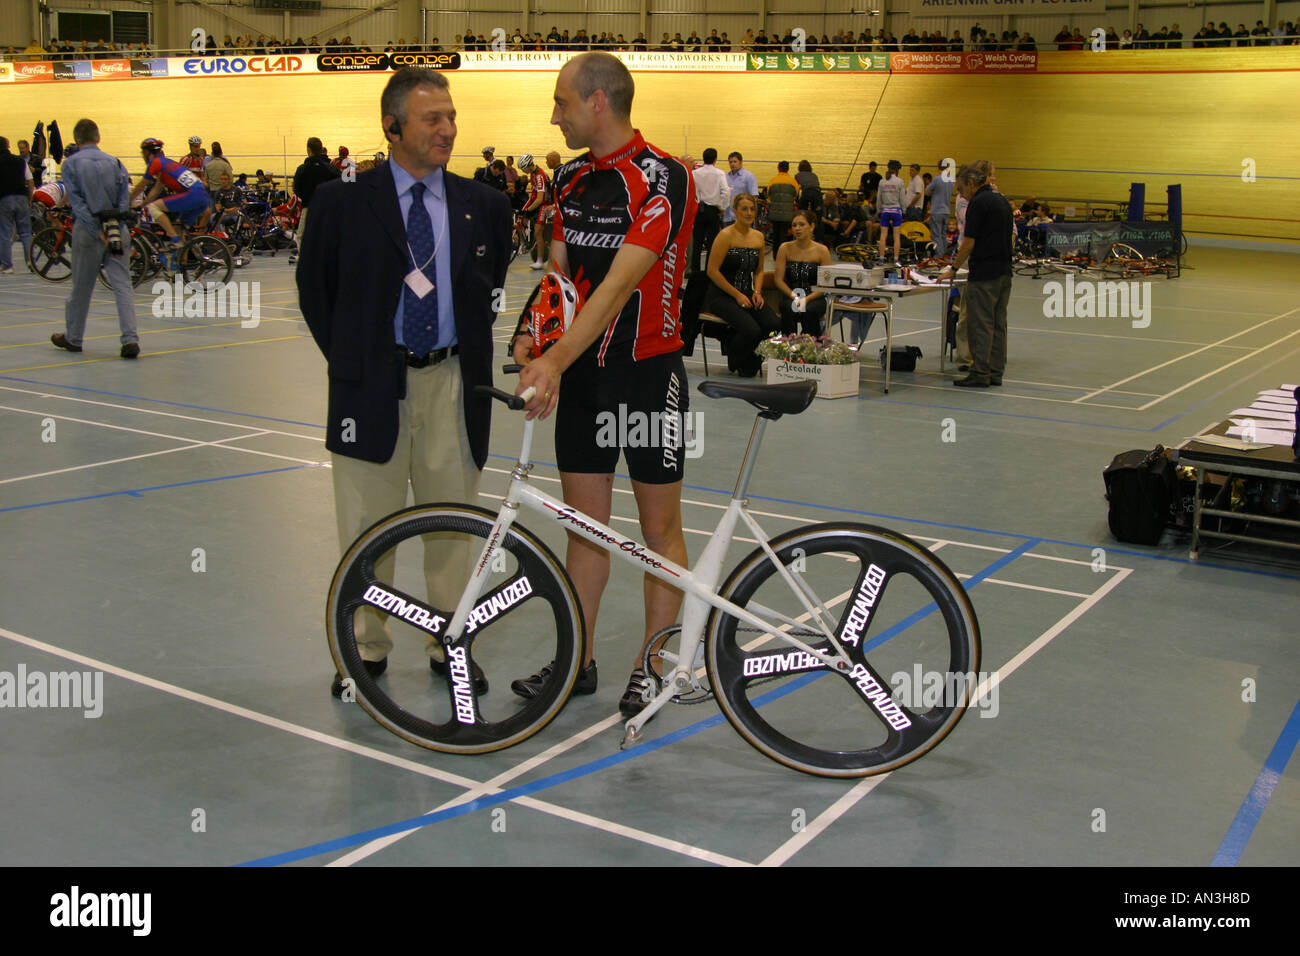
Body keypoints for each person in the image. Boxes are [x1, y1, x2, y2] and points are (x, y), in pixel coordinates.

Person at [296, 67, 512, 699]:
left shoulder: (486, 205)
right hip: (372, 384)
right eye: (432, 119)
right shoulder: (342, 202)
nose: (448, 129)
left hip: (453, 380)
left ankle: (452, 643)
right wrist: (353, 362)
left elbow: (488, 290)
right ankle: (364, 648)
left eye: (451, 116)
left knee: (455, 521)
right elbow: (317, 291)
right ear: (391, 126)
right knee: (368, 523)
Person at [508, 51, 697, 717]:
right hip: (583, 378)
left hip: (647, 375)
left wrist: (552, 362)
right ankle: (578, 658)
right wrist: (533, 332)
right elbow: (561, 279)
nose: (553, 114)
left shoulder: (664, 178)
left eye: (560, 101)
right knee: (583, 527)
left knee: (658, 528)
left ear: (596, 103)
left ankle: (653, 665)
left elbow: (618, 287)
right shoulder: (568, 179)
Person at [49, 119, 137, 357]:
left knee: (82, 287)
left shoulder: (72, 164)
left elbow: (77, 203)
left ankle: (74, 337)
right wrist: (114, 227)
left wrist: (97, 230)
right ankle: (130, 339)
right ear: (98, 137)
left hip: (88, 233)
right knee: (122, 285)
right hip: (117, 229)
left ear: (77, 140)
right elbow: (123, 200)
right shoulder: (115, 162)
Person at [940, 161, 1011, 387]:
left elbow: (969, 241)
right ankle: (995, 372)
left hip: (984, 274)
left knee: (980, 324)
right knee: (999, 324)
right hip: (1004, 273)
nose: (961, 194)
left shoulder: (978, 204)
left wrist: (953, 268)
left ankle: (980, 373)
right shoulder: (1001, 200)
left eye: (961, 189)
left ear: (971, 184)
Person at [705, 193, 780, 376]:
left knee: (773, 324)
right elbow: (712, 271)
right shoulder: (725, 236)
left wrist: (757, 291)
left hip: (748, 292)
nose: (749, 213)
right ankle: (735, 356)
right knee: (752, 330)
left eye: (752, 209)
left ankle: (751, 362)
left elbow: (759, 270)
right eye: (744, 209)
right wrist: (737, 295)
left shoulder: (759, 237)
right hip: (722, 295)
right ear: (735, 211)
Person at [129, 138, 210, 264]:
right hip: (202, 197)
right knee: (180, 230)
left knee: (154, 208)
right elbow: (155, 191)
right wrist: (141, 205)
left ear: (146, 153)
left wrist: (128, 202)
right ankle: (178, 268)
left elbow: (142, 185)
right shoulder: (167, 164)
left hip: (192, 195)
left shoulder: (155, 162)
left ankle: (175, 240)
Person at [773, 207, 831, 335]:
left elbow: (825, 284)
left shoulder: (822, 251)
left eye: (802, 224)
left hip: (815, 298)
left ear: (812, 226)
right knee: (789, 308)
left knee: (809, 311)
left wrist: (807, 299)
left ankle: (811, 348)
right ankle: (788, 347)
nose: (797, 228)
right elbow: (778, 280)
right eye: (794, 225)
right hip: (790, 296)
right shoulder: (784, 248)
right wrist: (794, 296)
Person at [690, 147, 731, 274]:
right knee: (712, 243)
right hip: (713, 210)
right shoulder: (719, 173)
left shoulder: (695, 173)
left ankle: (695, 271)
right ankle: (709, 270)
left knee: (697, 242)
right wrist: (722, 207)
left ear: (703, 158)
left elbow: (692, 192)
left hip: (699, 209)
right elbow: (725, 192)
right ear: (715, 159)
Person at [291, 136, 339, 242]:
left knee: (302, 236)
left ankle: (306, 258)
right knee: (327, 236)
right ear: (321, 150)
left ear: (308, 150)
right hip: (328, 208)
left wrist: (306, 197)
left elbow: (296, 188)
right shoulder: (331, 168)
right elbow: (340, 185)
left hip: (309, 207)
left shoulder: (302, 169)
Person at [0, 136, 34, 274]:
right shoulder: (20, 161)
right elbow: (30, 181)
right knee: (26, 233)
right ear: (8, 146)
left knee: (5, 234)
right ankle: (31, 263)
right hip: (22, 198)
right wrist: (30, 199)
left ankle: (7, 266)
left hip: (4, 199)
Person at [518, 153, 551, 269]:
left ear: (528, 166)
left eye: (523, 169)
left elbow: (540, 199)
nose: (523, 171)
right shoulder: (533, 174)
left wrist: (528, 209)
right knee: (520, 217)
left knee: (538, 231)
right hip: (537, 202)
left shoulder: (539, 176)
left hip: (544, 204)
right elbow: (533, 196)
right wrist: (524, 210)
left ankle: (540, 260)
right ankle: (524, 243)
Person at [876, 159, 906, 263]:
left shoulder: (882, 181)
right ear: (897, 170)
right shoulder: (900, 181)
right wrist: (904, 210)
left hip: (885, 210)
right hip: (896, 210)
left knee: (883, 235)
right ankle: (896, 258)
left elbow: (878, 198)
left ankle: (881, 257)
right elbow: (902, 198)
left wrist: (878, 210)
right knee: (896, 236)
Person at [766, 160, 798, 250]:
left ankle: (776, 255)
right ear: (788, 169)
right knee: (784, 235)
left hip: (775, 214)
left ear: (778, 168)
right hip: (787, 214)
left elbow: (769, 195)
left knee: (776, 235)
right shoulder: (793, 181)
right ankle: (784, 255)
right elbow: (795, 195)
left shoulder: (773, 181)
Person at [722, 151, 758, 226]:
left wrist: (750, 213)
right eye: (730, 162)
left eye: (735, 161)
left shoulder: (749, 176)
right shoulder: (725, 177)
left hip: (743, 217)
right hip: (728, 216)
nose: (732, 164)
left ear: (741, 162)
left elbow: (754, 197)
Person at [929, 161, 955, 256]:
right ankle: (944, 255)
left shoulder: (937, 179)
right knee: (943, 234)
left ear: (939, 168)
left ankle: (938, 256)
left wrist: (933, 193)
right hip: (946, 211)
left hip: (936, 210)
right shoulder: (951, 180)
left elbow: (927, 191)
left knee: (936, 235)